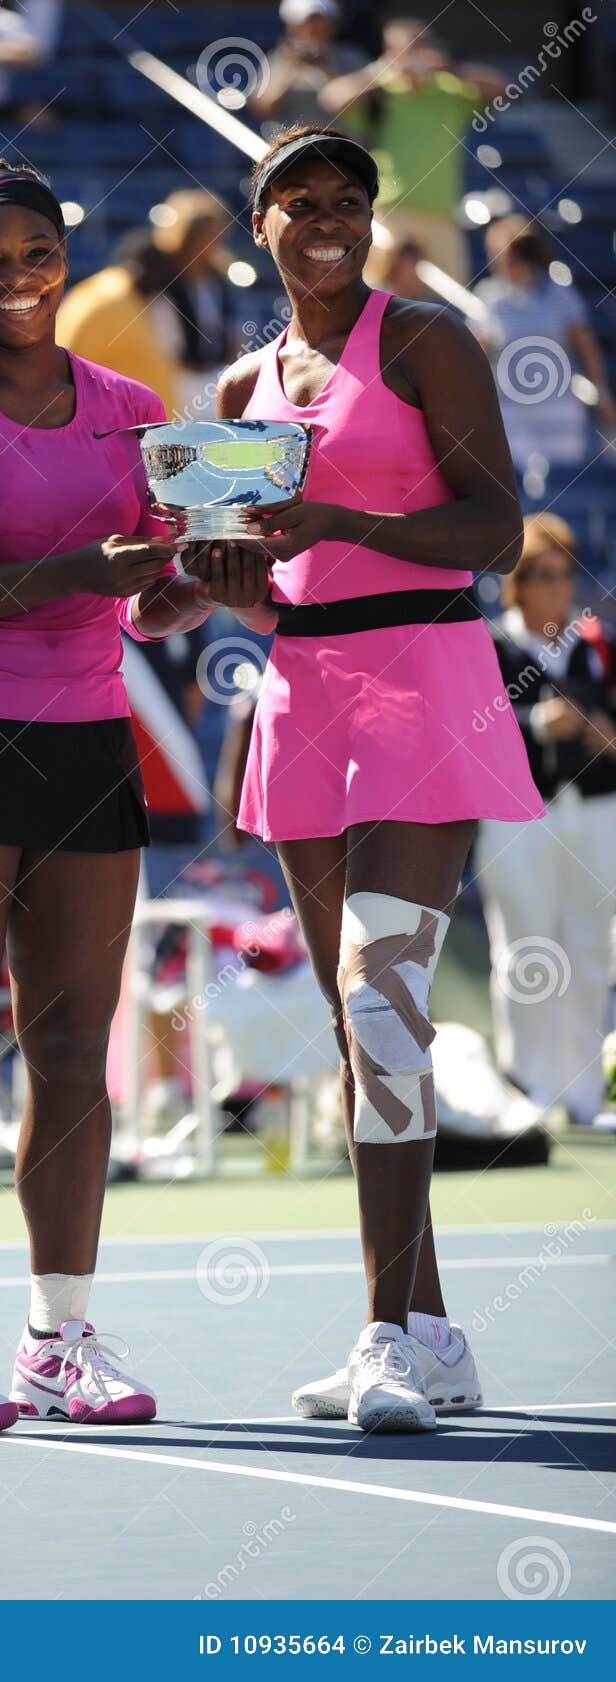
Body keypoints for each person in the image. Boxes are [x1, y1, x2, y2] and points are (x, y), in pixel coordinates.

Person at [0, 157, 238, 1438]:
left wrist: (192, 588)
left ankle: (54, 1338)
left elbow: (140, 595)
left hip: (84, 742)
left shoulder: (132, 404)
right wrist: (83, 566)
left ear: (63, 259)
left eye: (37, 251)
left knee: (75, 1053)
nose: (15, 275)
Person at [198, 124, 542, 1433]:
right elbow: (240, 583)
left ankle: (385, 1336)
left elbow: (496, 529)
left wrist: (341, 520)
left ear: (370, 214)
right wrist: (200, 586)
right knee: (365, 1030)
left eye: (347, 199)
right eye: (300, 202)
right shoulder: (238, 391)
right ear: (262, 223)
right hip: (305, 694)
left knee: (382, 1006)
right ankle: (432, 1330)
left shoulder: (426, 338)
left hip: (428, 679)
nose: (326, 219)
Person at [476, 515, 616, 1128]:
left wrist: (600, 734)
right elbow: (468, 734)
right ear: (517, 584)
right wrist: (537, 724)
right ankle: (528, 1089)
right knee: (527, 951)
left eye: (565, 573)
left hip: (595, 811)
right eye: (542, 574)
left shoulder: (596, 645)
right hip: (517, 816)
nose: (558, 587)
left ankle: (585, 1095)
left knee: (588, 950)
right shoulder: (487, 647)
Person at [322, 18, 505, 286]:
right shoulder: (382, 91)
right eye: (410, 48)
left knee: (452, 303)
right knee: (376, 294)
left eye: (423, 46)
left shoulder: (450, 88)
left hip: (442, 214)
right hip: (390, 212)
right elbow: (331, 98)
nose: (418, 55)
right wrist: (384, 70)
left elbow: (503, 89)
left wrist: (451, 68)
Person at [473, 216, 616, 473]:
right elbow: (476, 356)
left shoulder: (561, 294)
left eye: (503, 256)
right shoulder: (488, 298)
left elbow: (586, 346)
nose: (497, 263)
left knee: (563, 485)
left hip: (560, 410)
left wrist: (602, 394)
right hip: (511, 414)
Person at [58, 230, 184, 415]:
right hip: (112, 426)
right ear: (140, 269)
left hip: (138, 427)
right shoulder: (110, 299)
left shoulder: (122, 294)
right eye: (158, 273)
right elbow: (69, 364)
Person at [150, 191, 239, 420]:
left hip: (215, 378)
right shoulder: (164, 283)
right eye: (204, 237)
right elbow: (165, 345)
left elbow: (228, 333)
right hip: (178, 383)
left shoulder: (218, 281)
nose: (211, 245)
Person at [251, 0, 366, 131]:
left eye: (319, 24)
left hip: (342, 146)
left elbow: (360, 107)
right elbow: (262, 109)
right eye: (305, 24)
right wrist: (290, 68)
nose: (312, 30)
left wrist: (324, 69)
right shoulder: (277, 61)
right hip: (294, 147)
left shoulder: (351, 58)